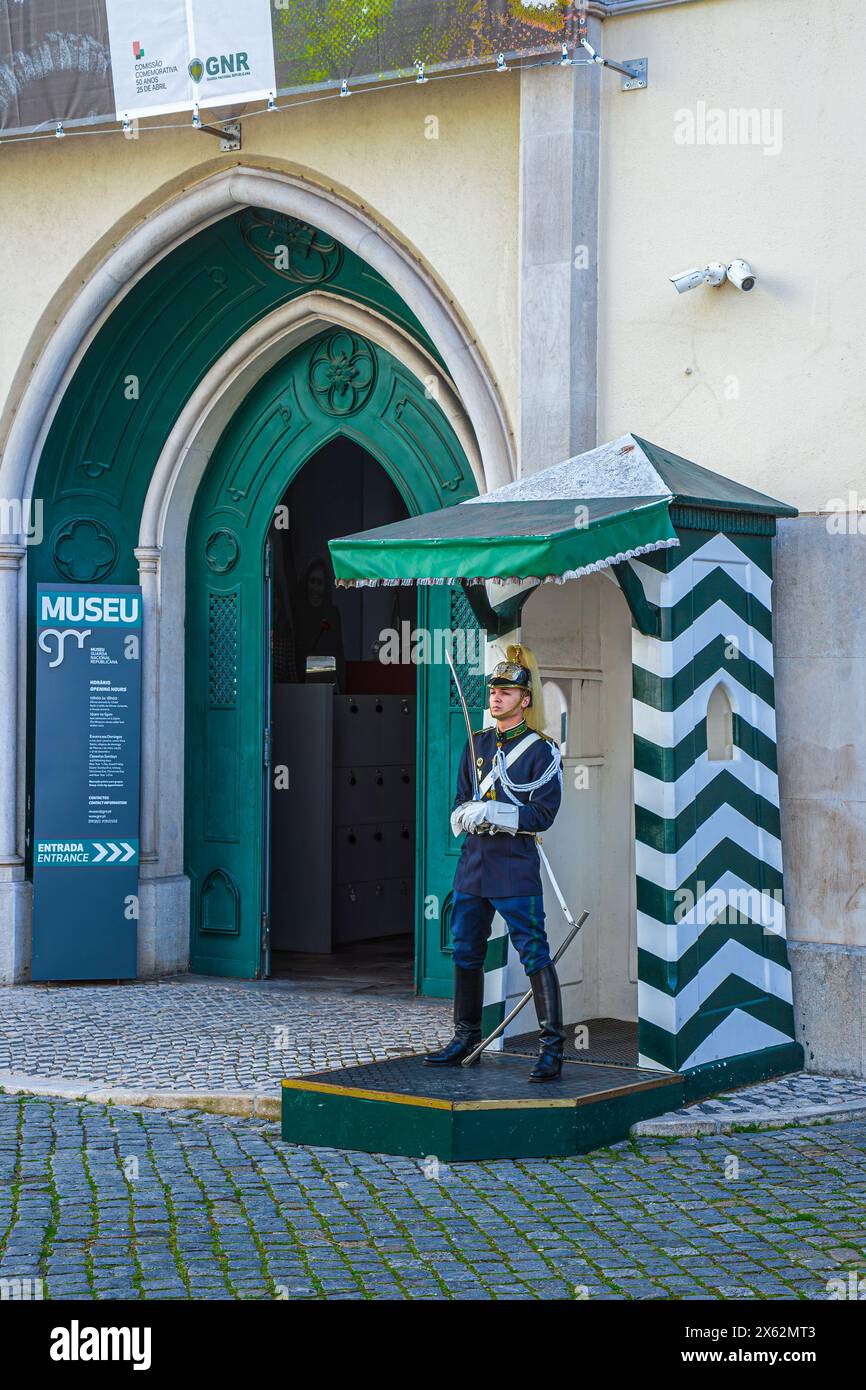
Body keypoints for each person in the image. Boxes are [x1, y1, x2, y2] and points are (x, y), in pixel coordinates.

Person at [424, 644, 566, 1082]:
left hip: (514, 867)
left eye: (506, 691)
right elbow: (460, 797)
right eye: (493, 690)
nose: (496, 697)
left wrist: (496, 813)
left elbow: (543, 814)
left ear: (525, 699)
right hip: (475, 865)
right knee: (466, 949)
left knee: (534, 951)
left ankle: (552, 1048)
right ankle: (466, 1036)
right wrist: (464, 814)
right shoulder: (477, 743)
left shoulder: (542, 751)